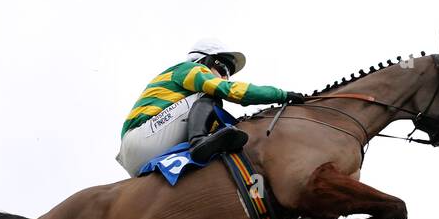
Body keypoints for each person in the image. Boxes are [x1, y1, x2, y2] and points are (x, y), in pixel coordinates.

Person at [117, 38, 307, 176]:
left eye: (228, 74)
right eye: (223, 69)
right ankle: (197, 141)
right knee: (211, 95)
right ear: (204, 61)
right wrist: (281, 95)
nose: (225, 78)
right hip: (143, 138)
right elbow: (229, 90)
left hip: (143, 146)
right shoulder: (188, 68)